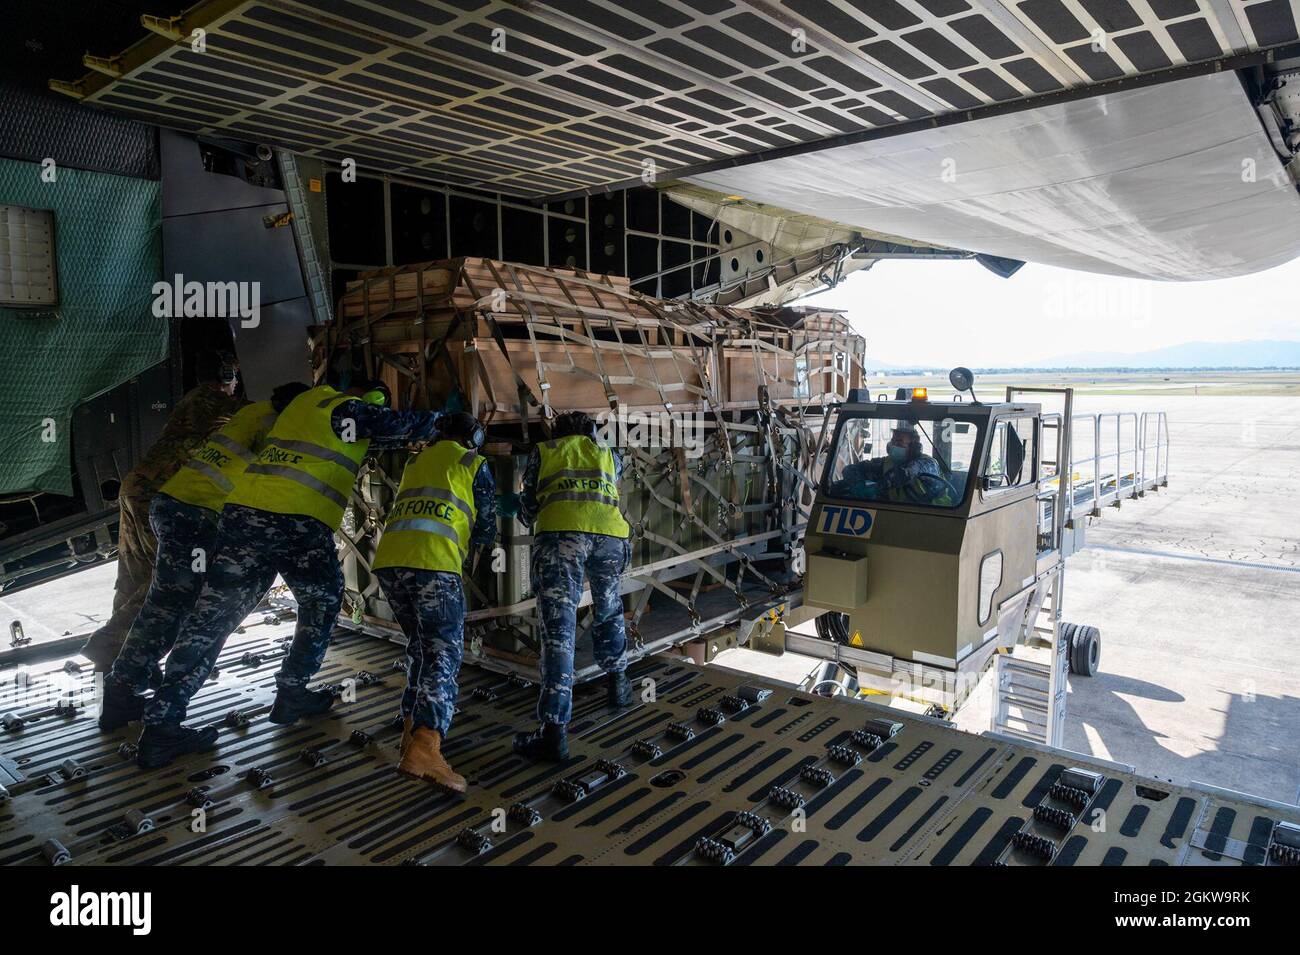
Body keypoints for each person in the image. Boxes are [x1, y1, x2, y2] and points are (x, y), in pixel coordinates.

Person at [132, 378, 441, 769]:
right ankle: (292, 689)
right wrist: (448, 423)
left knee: (212, 618)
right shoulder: (346, 409)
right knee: (323, 598)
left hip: (243, 516)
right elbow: (406, 426)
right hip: (295, 522)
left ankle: (161, 725)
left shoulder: (303, 407)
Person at [97, 382, 310, 731]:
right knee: (183, 601)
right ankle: (127, 673)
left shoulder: (219, 405)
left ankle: (124, 685)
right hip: (191, 507)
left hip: (152, 491)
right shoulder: (263, 418)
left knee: (143, 581)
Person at [80, 351, 244, 672]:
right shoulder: (211, 401)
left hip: (141, 485)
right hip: (161, 491)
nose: (236, 383)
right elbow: (257, 419)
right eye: (233, 375)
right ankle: (109, 646)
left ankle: (121, 655)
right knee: (168, 581)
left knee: (136, 574)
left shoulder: (193, 402)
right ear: (224, 376)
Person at [371, 412, 496, 793]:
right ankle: (426, 745)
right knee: (443, 655)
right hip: (433, 564)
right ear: (473, 438)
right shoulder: (473, 463)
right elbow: (487, 526)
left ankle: (410, 732)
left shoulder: (416, 460)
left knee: (421, 650)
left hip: (391, 562)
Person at [506, 411, 632, 762]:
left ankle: (554, 732)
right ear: (592, 432)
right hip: (610, 536)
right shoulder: (608, 454)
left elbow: (528, 509)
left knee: (559, 630)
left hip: (561, 537)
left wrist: (517, 509)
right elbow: (617, 476)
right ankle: (619, 684)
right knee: (608, 608)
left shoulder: (545, 452)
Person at [835, 421, 956, 506]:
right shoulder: (886, 463)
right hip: (899, 515)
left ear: (914, 448)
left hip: (936, 517)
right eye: (893, 441)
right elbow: (850, 470)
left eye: (899, 442)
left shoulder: (927, 464)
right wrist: (858, 484)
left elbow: (905, 474)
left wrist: (876, 488)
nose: (894, 445)